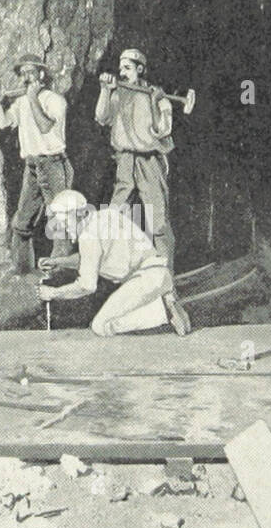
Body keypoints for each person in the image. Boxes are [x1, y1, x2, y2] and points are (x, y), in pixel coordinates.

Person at [39, 190, 191, 337]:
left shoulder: (88, 236)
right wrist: (59, 262)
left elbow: (87, 285)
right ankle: (164, 300)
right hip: (158, 275)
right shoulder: (106, 215)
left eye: (65, 221)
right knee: (118, 313)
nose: (63, 227)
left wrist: (53, 293)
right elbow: (91, 258)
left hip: (145, 280)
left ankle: (162, 311)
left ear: (78, 214)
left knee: (101, 326)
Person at [95, 48, 176, 271]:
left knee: (158, 223)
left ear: (140, 69)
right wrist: (104, 90)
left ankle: (166, 280)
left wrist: (155, 101)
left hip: (149, 161)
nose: (122, 72)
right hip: (125, 161)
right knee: (115, 218)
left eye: (127, 68)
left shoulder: (158, 96)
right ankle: (119, 274)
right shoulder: (118, 94)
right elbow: (102, 118)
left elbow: (163, 130)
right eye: (121, 68)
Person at [0, 55, 73, 273]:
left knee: (59, 222)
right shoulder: (20, 102)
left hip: (54, 165)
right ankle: (22, 270)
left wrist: (33, 98)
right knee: (22, 221)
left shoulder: (56, 100)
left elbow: (45, 126)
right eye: (23, 73)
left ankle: (59, 271)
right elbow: (4, 123)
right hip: (32, 166)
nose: (27, 77)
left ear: (42, 75)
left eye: (31, 72)